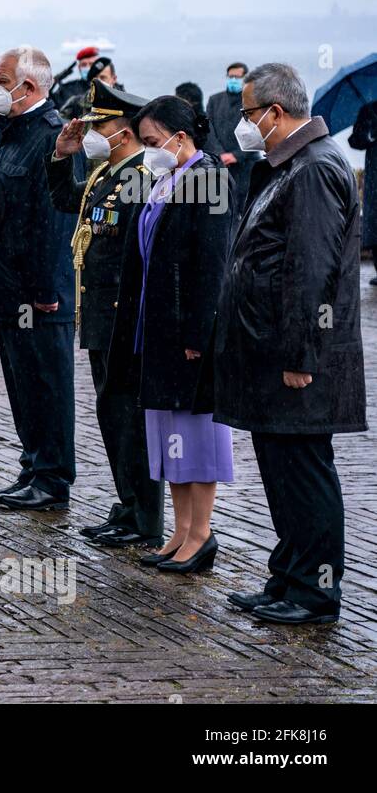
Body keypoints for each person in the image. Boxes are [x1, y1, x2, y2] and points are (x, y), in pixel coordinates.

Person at [210, 63, 367, 625]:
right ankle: (289, 575)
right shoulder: (286, 164)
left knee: (304, 472)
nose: (244, 124)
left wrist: (301, 356)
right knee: (280, 472)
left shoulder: (315, 168)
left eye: (249, 115)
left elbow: (313, 270)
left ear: (276, 113)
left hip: (300, 358)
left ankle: (315, 593)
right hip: (268, 352)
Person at [108, 96, 233, 575]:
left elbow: (212, 266)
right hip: (155, 327)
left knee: (196, 433)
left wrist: (198, 333)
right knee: (167, 432)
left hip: (189, 332)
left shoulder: (209, 180)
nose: (148, 151)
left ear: (182, 138)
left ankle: (201, 533)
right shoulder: (169, 179)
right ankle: (180, 530)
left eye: (154, 142)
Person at [0, 46, 76, 512]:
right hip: (6, 280)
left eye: (3, 81)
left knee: (47, 384)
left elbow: (55, 218)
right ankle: (32, 466)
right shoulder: (7, 133)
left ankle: (52, 479)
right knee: (22, 384)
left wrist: (46, 290)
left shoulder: (53, 136)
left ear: (29, 88)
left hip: (38, 290)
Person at [46, 81, 164, 547]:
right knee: (111, 414)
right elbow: (64, 201)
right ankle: (128, 505)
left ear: (126, 131)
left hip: (124, 318)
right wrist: (62, 155)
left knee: (130, 418)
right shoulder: (105, 175)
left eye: (102, 125)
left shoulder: (140, 177)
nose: (94, 132)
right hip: (99, 316)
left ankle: (145, 517)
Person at [206, 62, 259, 217]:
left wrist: (236, 155)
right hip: (219, 165)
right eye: (231, 76)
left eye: (237, 77)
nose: (233, 80)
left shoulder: (254, 102)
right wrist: (219, 153)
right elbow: (209, 130)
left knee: (245, 211)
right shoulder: (215, 100)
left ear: (246, 79)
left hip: (246, 167)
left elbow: (258, 133)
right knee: (220, 210)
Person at [347, 99, 377, 285]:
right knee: (374, 221)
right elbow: (355, 140)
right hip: (375, 171)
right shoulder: (369, 109)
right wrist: (370, 135)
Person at [51, 46, 101, 111]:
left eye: (91, 64)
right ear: (79, 68)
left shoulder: (110, 86)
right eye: (84, 65)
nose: (88, 67)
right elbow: (47, 101)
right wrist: (57, 79)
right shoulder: (67, 89)